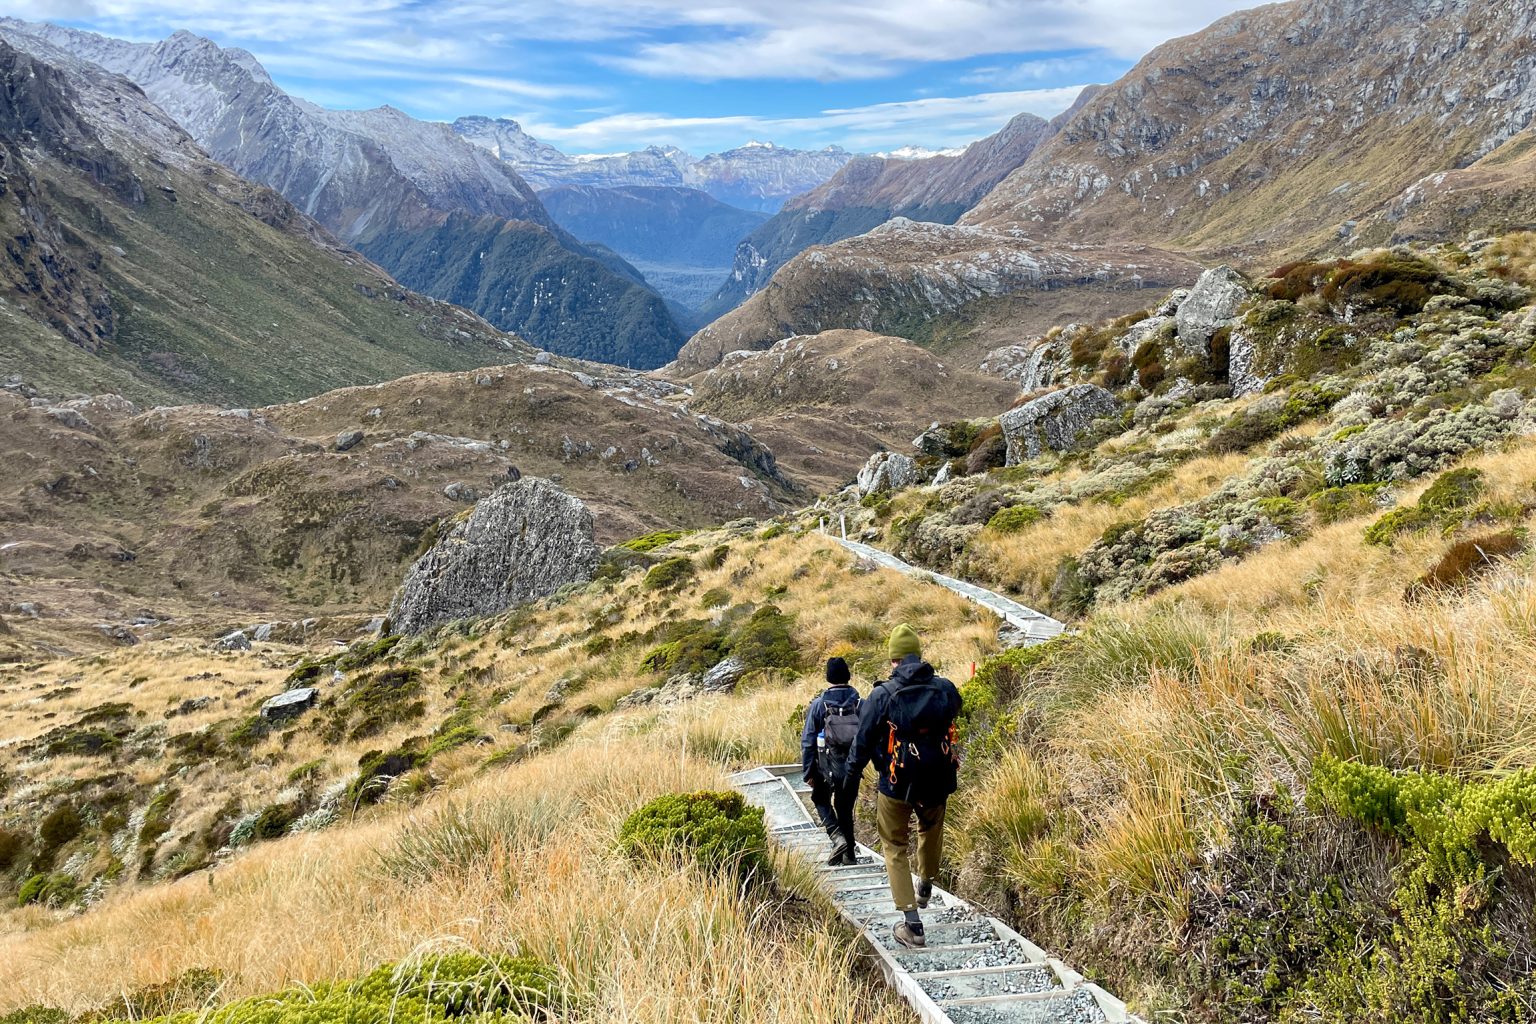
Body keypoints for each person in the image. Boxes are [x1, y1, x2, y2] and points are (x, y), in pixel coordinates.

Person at [845, 624, 962, 949]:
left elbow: (862, 743)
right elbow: (956, 710)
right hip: (937, 778)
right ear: (919, 656)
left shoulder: (882, 696)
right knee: (931, 829)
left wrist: (848, 781)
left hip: (896, 783)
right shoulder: (945, 689)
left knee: (895, 845)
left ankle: (912, 925)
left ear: (893, 659)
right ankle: (926, 882)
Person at [800, 657, 862, 865]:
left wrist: (808, 772)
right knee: (845, 807)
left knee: (820, 799)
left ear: (828, 677)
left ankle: (837, 837)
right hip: (852, 767)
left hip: (825, 766)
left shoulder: (819, 705)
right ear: (848, 675)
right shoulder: (859, 703)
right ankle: (849, 854)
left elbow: (808, 741)